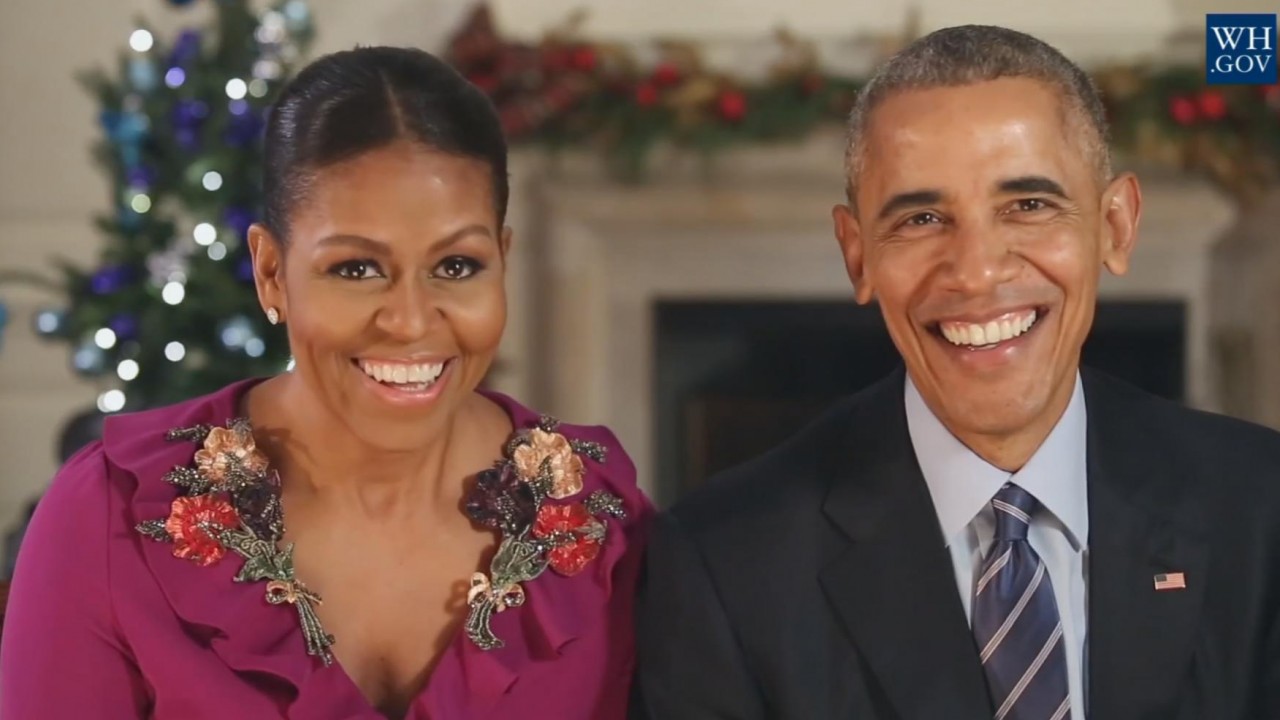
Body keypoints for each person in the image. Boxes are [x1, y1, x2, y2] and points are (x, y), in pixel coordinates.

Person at [632, 24, 1280, 720]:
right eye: (921, 218)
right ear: (857, 256)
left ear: (1116, 225)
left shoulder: (1262, 507)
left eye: (1029, 206)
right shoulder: (726, 562)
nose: (976, 272)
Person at [2, 46, 652, 720]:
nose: (409, 321)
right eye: (355, 269)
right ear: (272, 273)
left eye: (457, 266)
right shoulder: (105, 522)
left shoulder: (603, 526)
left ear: (503, 261)